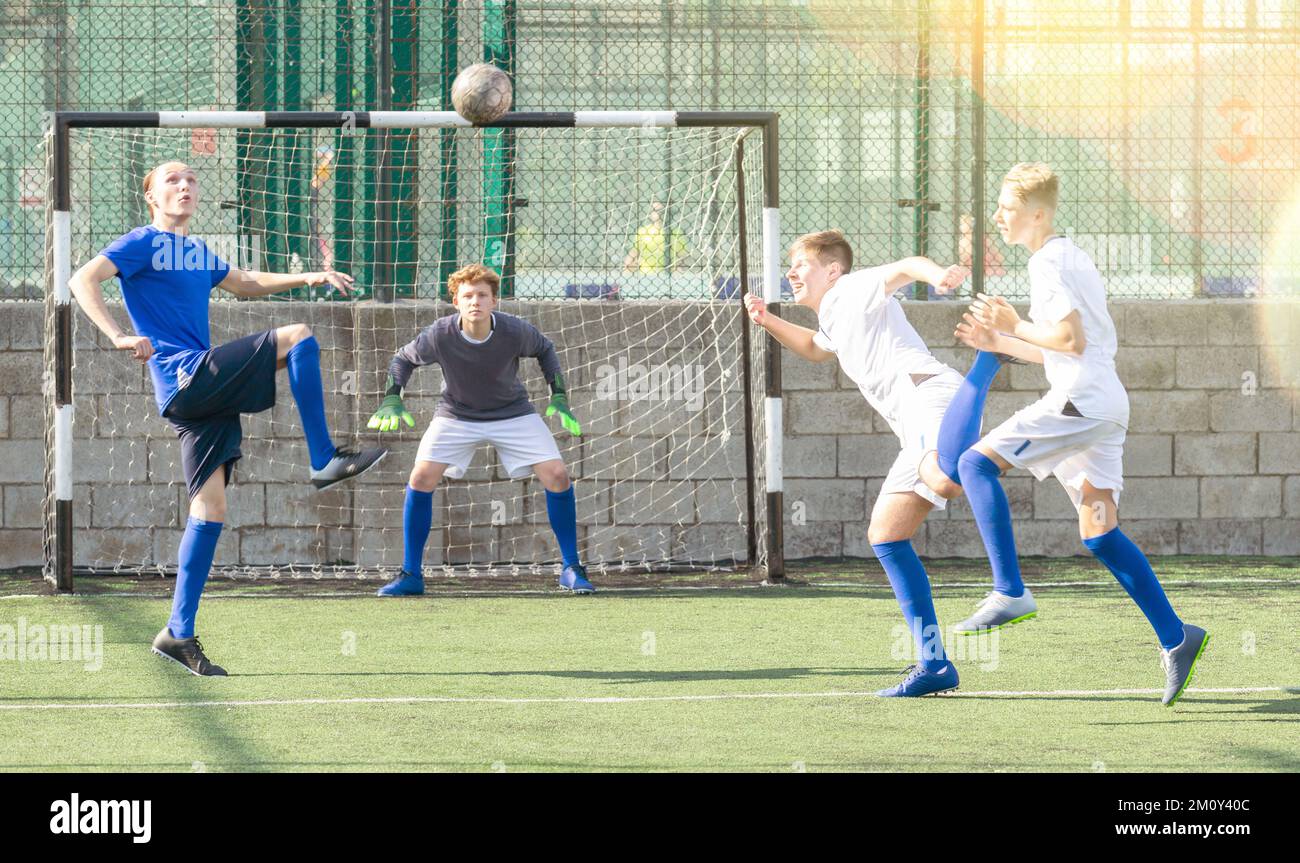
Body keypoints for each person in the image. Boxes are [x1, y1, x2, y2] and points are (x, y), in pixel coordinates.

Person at [67, 161, 387, 676]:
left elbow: (242, 282)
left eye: (191, 180)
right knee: (300, 335)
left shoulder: (194, 250)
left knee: (209, 512)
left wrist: (307, 274)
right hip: (184, 375)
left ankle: (177, 632)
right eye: (172, 180)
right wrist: (117, 335)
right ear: (150, 196)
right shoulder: (142, 241)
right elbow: (81, 278)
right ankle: (324, 458)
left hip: (201, 398)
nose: (185, 186)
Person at [935, 163, 1207, 707]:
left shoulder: (1048, 261)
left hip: (1079, 403)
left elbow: (1069, 339)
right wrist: (1002, 339)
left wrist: (1011, 325)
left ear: (1037, 214)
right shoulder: (1069, 255)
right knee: (1100, 534)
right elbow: (1056, 346)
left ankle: (1010, 592)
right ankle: (1178, 638)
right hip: (1103, 406)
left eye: (1007, 209)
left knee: (973, 464)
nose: (998, 217)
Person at [745, 230, 973, 697]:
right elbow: (815, 347)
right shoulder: (834, 313)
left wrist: (939, 276)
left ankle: (993, 445)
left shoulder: (851, 289)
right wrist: (767, 319)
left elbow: (906, 267)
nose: (790, 273)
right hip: (918, 421)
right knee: (886, 536)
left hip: (930, 397)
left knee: (946, 478)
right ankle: (935, 664)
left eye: (801, 265)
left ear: (832, 270)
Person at [367, 263, 591, 596]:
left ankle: (571, 569)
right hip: (456, 415)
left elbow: (545, 348)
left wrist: (557, 395)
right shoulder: (439, 334)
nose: (475, 302)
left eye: (482, 295)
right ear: (455, 301)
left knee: (558, 474)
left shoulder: (514, 331)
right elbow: (403, 359)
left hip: (513, 413)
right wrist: (391, 398)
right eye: (467, 295)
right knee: (420, 477)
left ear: (494, 301)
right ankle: (411, 574)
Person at [623, 200, 688, 275]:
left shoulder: (677, 232)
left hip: (671, 275)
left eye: (662, 210)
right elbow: (633, 254)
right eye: (655, 210)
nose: (659, 213)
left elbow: (682, 256)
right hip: (647, 276)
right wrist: (626, 271)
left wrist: (679, 269)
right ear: (650, 214)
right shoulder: (643, 231)